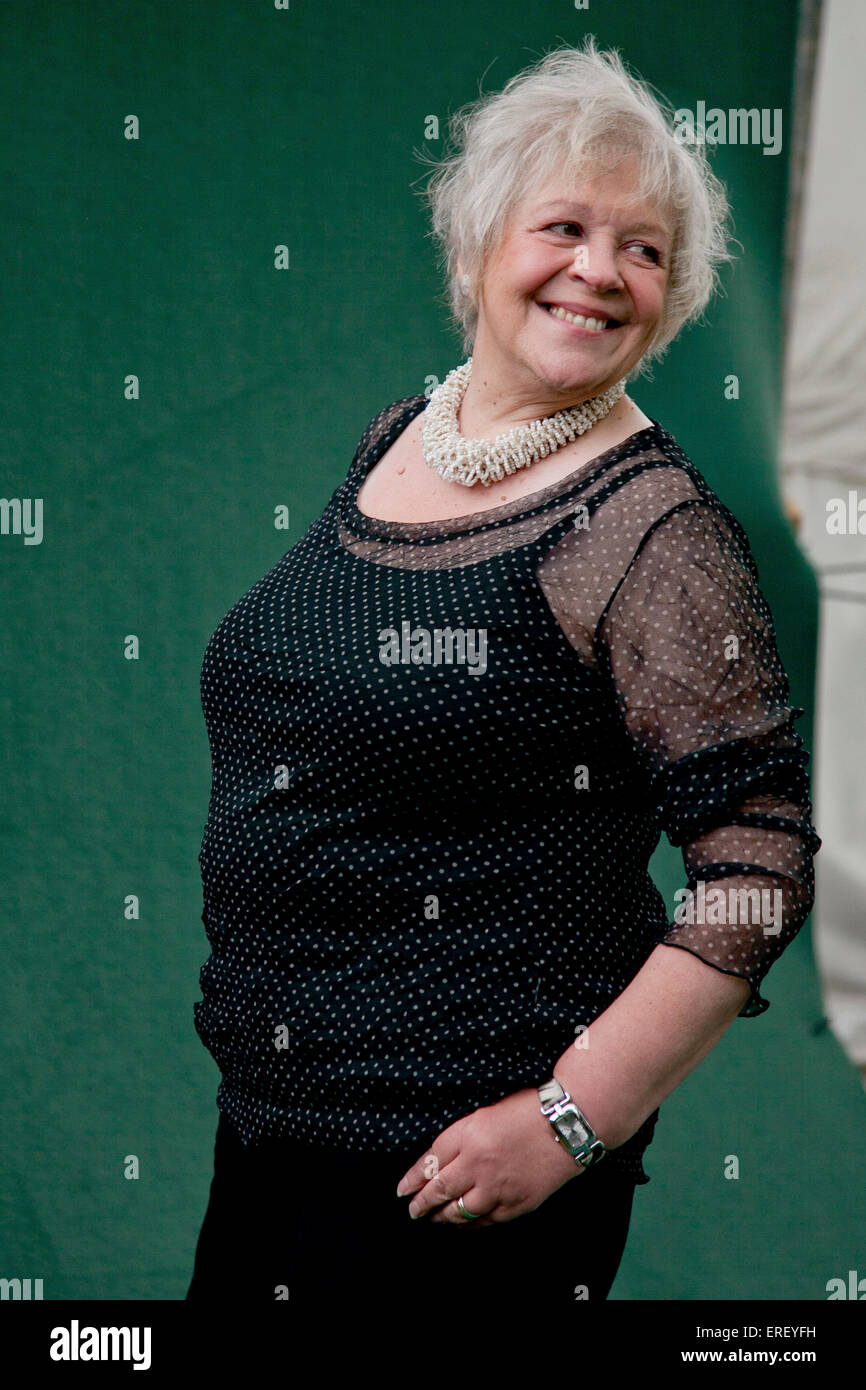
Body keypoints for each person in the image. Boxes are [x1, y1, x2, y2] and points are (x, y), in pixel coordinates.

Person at [186, 37, 821, 1311]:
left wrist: (568, 1124)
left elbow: (757, 861)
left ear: (672, 294)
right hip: (271, 1131)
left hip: (452, 1175)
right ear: (477, 244)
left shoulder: (648, 532)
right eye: (564, 226)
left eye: (642, 249)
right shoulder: (400, 439)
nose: (598, 271)